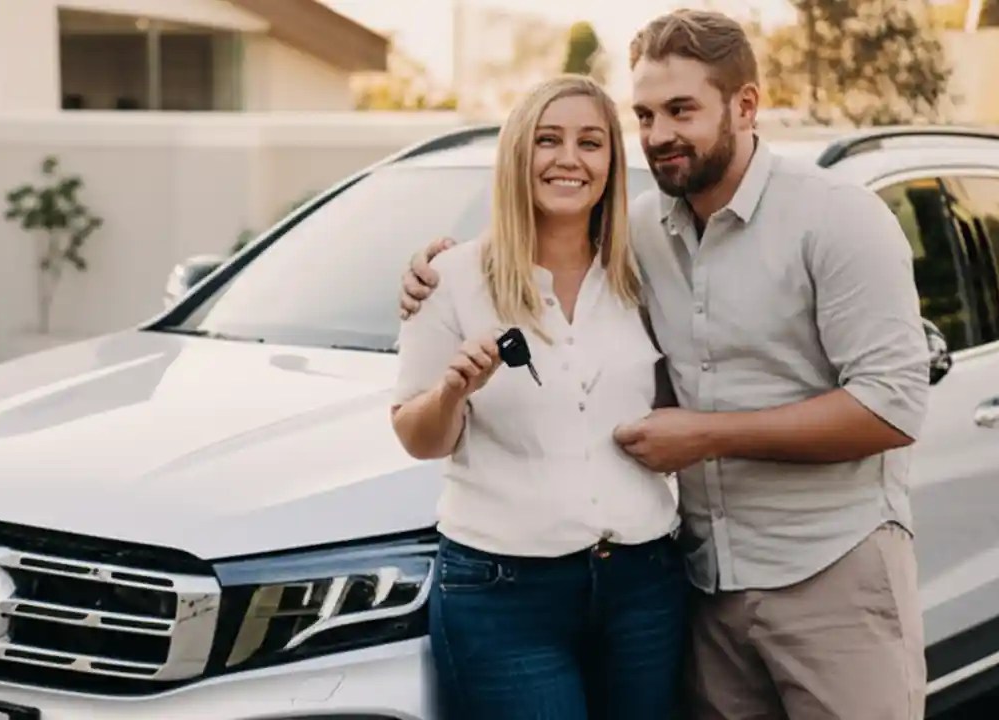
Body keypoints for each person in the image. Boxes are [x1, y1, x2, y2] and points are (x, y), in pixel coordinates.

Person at [399, 9, 931, 720]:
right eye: (644, 114)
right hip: (702, 587)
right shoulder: (644, 234)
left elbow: (892, 406)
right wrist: (436, 271)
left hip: (828, 571)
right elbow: (537, 238)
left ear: (746, 105)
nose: (658, 135)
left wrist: (707, 435)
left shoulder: (839, 218)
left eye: (681, 109)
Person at [390, 74, 686, 720]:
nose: (569, 159)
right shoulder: (452, 280)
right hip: (503, 597)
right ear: (517, 154)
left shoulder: (646, 274)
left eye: (591, 142)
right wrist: (452, 392)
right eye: (548, 140)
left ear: (612, 161)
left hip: (644, 585)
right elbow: (418, 438)